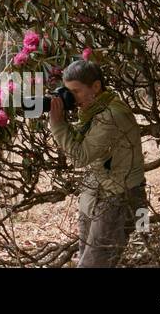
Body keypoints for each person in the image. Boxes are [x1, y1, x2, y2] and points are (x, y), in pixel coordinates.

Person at [47, 58, 147, 267]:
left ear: (96, 86)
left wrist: (57, 125)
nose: (72, 98)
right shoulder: (97, 109)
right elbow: (85, 141)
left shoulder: (111, 114)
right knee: (87, 255)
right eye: (68, 91)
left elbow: (80, 156)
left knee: (94, 264)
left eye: (76, 91)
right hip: (97, 192)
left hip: (119, 197)